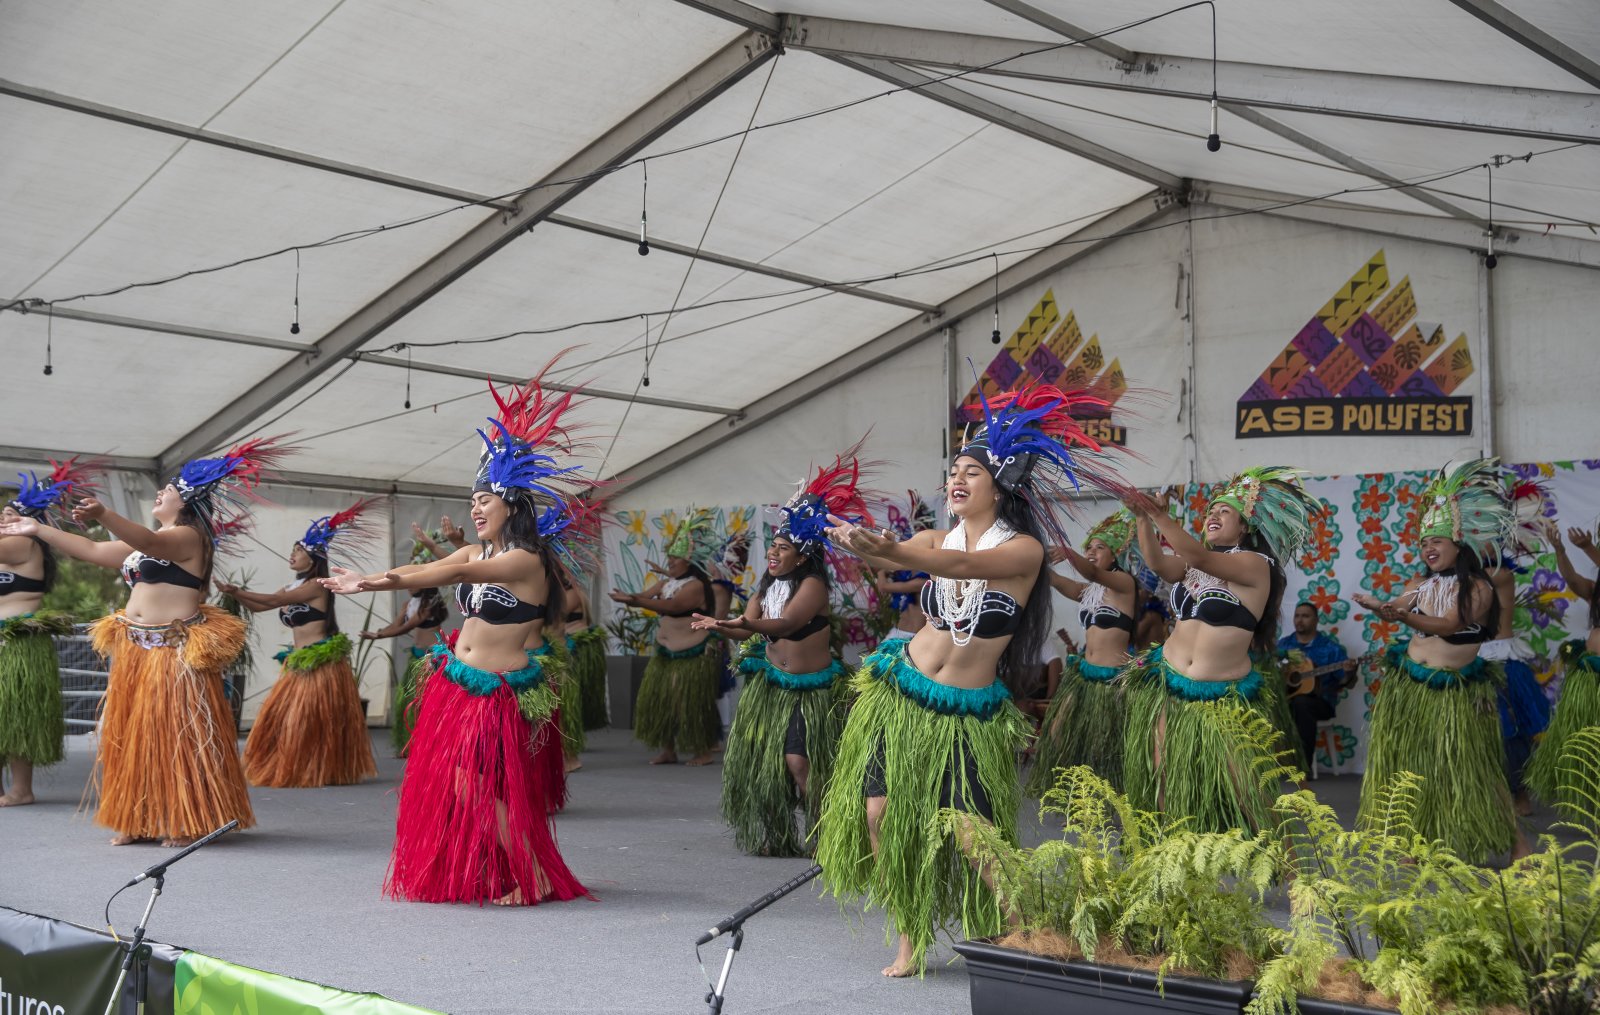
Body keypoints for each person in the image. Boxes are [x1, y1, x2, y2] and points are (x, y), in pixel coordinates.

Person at [818, 381, 1126, 977]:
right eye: (953, 471)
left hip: (964, 711)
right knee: (880, 813)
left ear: (1000, 487)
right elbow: (893, 556)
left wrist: (895, 552)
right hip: (902, 691)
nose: (956, 479)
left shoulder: (1024, 551)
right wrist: (858, 543)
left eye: (971, 472)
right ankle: (909, 935)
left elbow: (958, 564)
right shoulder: (934, 537)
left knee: (971, 833)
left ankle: (1024, 931)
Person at [323, 373, 589, 906]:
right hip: (459, 684)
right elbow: (427, 569)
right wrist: (371, 579)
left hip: (498, 691)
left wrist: (375, 582)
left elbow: (451, 575)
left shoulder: (525, 559)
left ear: (512, 504)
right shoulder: (476, 552)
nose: (475, 508)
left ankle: (533, 873)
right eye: (472, 500)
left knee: (475, 782)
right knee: (461, 782)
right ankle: (494, 869)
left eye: (484, 499)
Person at [1, 439, 290, 845]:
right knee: (134, 736)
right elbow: (93, 549)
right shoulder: (150, 540)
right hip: (135, 651)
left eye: (167, 490)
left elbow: (151, 545)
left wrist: (105, 514)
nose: (159, 493)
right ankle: (138, 817)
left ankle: (184, 818)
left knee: (175, 738)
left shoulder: (189, 537)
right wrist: (37, 529)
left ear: (187, 500)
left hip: (172, 652)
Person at [697, 442, 872, 857]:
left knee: (800, 762)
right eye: (773, 546)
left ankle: (826, 834)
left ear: (803, 556)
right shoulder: (768, 585)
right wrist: (724, 626)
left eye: (783, 548)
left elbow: (786, 624)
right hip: (771, 687)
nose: (773, 553)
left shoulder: (813, 586)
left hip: (809, 691)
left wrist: (741, 624)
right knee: (770, 766)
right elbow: (747, 627)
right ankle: (778, 835)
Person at [1121, 467, 1316, 834]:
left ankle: (1286, 863)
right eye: (1211, 510)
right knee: (1164, 774)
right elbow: (1159, 564)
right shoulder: (1193, 566)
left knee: (1247, 787)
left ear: (1244, 527)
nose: (1213, 514)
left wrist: (1160, 514)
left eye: (1225, 511)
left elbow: (1200, 556)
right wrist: (1144, 519)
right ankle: (1172, 857)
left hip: (1223, 695)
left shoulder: (1255, 564)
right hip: (1170, 682)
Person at [1352, 458, 1523, 862]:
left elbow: (1448, 624)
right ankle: (1416, 845)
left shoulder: (1478, 587)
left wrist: (1402, 616)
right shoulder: (1420, 583)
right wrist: (1379, 606)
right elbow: (1397, 607)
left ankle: (1521, 849)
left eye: (1437, 541)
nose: (1428, 548)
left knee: (1477, 769)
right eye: (1424, 542)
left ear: (1459, 545)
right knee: (1412, 767)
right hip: (1411, 688)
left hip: (1455, 693)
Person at [224, 500, 378, 788]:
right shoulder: (293, 586)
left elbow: (274, 600)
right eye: (293, 550)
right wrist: (236, 594)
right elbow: (261, 606)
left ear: (313, 558)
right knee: (283, 716)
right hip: (297, 660)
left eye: (298, 551)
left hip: (319, 662)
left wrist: (239, 591)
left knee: (309, 718)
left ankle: (318, 766)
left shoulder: (317, 584)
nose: (292, 555)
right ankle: (299, 764)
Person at [0, 460, 99, 806]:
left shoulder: (24, 545)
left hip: (18, 644)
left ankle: (21, 789)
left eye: (9, 515)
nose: (2, 519)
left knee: (17, 714)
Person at [1026, 509, 1140, 795]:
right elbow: (1054, 580)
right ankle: (1072, 790)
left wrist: (1067, 552)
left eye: (1099, 548)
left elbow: (1091, 572)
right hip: (1084, 677)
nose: (1091, 552)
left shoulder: (1125, 585)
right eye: (1088, 547)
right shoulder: (1091, 592)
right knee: (1056, 730)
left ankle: (1110, 794)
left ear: (1115, 555)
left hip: (1113, 681)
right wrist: (1032, 557)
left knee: (1105, 744)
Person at [610, 511, 720, 766]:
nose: (669, 560)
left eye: (675, 557)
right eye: (669, 556)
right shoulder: (665, 583)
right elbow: (642, 596)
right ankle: (669, 750)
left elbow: (672, 606)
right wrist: (629, 597)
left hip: (692, 650)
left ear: (688, 562)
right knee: (662, 701)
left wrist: (637, 602)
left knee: (688, 703)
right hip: (665, 650)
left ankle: (702, 751)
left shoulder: (695, 586)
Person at [1526, 517, 1600, 813]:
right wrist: (1560, 550)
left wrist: (1589, 548)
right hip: (1591, 677)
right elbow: (1572, 581)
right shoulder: (1595, 590)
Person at [363, 532, 448, 758]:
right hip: (417, 656)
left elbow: (407, 627)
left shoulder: (430, 604)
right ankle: (412, 744)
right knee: (409, 701)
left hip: (433, 658)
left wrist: (379, 637)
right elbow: (396, 624)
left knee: (429, 703)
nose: (409, 585)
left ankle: (432, 745)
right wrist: (379, 632)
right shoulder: (408, 603)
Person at [1276, 602, 1357, 774]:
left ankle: (1302, 769)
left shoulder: (1330, 648)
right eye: (1297, 616)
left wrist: (1350, 673)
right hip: (1285, 702)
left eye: (1305, 616)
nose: (1300, 620)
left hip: (1321, 703)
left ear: (1316, 620)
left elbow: (1347, 683)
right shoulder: (1283, 645)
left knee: (1301, 703)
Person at [873, 491, 935, 642]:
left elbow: (884, 587)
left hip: (912, 639)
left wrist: (881, 570)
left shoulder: (923, 582)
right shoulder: (908, 574)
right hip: (897, 634)